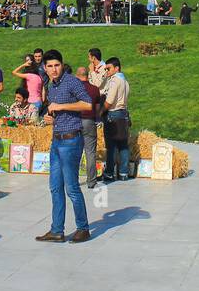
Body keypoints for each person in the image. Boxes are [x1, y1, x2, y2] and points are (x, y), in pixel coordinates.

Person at [35, 49, 92, 243]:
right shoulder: (52, 86)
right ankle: (57, 230)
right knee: (54, 187)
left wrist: (60, 107)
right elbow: (58, 111)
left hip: (71, 140)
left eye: (56, 65)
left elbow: (87, 104)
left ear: (62, 64)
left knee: (72, 188)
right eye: (49, 66)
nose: (53, 69)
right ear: (45, 68)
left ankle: (83, 228)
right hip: (56, 139)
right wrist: (51, 118)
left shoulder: (71, 81)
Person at [99, 56, 130, 182]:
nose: (107, 71)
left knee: (111, 145)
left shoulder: (114, 80)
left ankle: (109, 173)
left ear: (116, 68)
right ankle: (123, 173)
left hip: (113, 114)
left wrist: (101, 111)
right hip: (123, 113)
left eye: (109, 68)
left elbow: (109, 101)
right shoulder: (125, 81)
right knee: (123, 145)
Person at [75, 65, 101, 189]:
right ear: (87, 75)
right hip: (89, 121)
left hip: (75, 121)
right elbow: (97, 108)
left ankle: (73, 179)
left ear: (77, 76)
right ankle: (91, 181)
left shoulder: (73, 89)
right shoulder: (95, 89)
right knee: (90, 152)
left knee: (75, 152)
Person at [12, 53, 45, 119]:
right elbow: (43, 90)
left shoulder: (29, 76)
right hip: (39, 101)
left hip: (32, 102)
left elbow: (14, 72)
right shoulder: (40, 77)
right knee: (35, 121)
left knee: (28, 122)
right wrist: (42, 100)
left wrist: (23, 65)